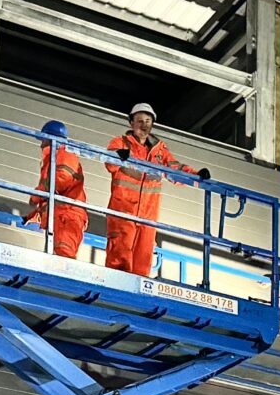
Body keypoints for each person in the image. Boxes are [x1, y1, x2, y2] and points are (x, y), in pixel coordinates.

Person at [103, 104, 179, 279]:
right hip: (123, 212)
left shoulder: (160, 151)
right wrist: (118, 156)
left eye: (148, 121)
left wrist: (197, 175)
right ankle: (115, 288)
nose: (144, 125)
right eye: (139, 121)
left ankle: (137, 294)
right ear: (131, 123)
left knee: (143, 263)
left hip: (148, 218)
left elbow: (175, 170)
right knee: (119, 257)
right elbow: (109, 163)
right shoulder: (120, 143)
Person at [31, 119, 88, 261]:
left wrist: (36, 195)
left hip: (67, 217)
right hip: (62, 215)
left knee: (64, 260)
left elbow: (60, 182)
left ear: (50, 139)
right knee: (59, 258)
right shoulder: (55, 157)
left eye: (43, 140)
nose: (41, 144)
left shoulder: (64, 155)